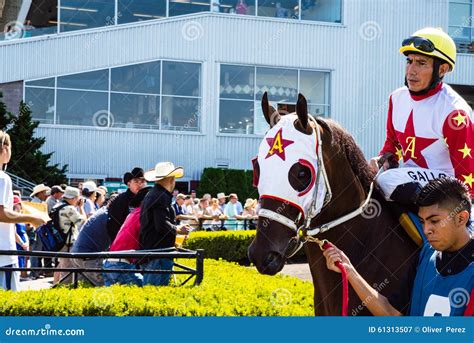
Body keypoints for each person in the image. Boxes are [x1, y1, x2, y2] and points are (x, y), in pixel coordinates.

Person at [324, 178, 473, 316]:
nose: (426, 229)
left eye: (434, 221)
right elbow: (392, 314)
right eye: (422, 221)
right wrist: (349, 271)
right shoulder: (426, 255)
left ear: (461, 218)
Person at [370, 28, 473, 203]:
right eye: (409, 61)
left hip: (448, 186)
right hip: (406, 179)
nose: (411, 71)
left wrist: (456, 210)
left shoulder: (455, 113)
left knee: (387, 180)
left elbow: (467, 177)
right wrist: (382, 160)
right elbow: (392, 146)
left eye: (421, 63)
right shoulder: (396, 98)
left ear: (442, 69)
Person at [0, 131, 47, 291]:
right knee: (7, 306)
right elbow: (1, 213)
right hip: (3, 256)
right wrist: (32, 218)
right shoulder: (2, 178)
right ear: (4, 149)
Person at [139, 162, 190, 286]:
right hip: (158, 252)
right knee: (155, 290)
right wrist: (178, 229)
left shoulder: (155, 194)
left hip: (154, 251)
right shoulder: (160, 196)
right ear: (171, 179)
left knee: (153, 290)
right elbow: (161, 225)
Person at [103, 187, 151, 287]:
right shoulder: (142, 215)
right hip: (121, 264)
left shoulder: (134, 213)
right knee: (145, 289)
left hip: (111, 262)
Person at [70, 202, 112, 286]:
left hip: (78, 253)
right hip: (89, 256)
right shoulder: (108, 216)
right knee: (101, 287)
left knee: (82, 288)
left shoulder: (102, 212)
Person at [53, 186, 87, 285]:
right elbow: (82, 222)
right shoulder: (69, 208)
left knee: (62, 265)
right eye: (77, 199)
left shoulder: (57, 206)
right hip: (68, 243)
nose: (78, 201)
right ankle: (65, 290)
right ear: (73, 198)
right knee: (68, 270)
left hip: (59, 240)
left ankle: (55, 285)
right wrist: (81, 208)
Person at [107, 167, 146, 241]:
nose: (140, 184)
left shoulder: (146, 199)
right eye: (136, 181)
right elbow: (113, 225)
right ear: (129, 184)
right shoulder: (121, 200)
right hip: (124, 243)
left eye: (142, 181)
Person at [13, 196, 29, 280]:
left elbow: (24, 231)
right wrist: (22, 243)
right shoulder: (12, 217)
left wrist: (26, 243)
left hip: (23, 243)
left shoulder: (20, 216)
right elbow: (14, 233)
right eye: (19, 204)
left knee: (22, 261)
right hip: (17, 244)